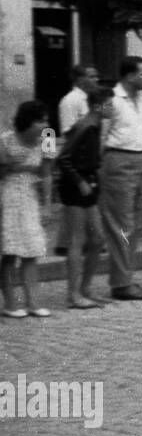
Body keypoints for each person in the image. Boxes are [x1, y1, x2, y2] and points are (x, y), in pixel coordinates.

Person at [100, 56, 142, 301]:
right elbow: (100, 136)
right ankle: (122, 283)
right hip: (119, 161)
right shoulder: (111, 100)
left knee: (139, 223)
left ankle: (126, 276)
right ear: (129, 76)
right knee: (122, 224)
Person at [57, 85, 111, 309]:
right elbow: (63, 158)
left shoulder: (96, 125)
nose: (112, 108)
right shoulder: (85, 126)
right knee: (77, 240)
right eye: (109, 104)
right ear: (98, 106)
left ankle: (85, 288)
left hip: (89, 182)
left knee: (98, 238)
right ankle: (73, 294)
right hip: (75, 185)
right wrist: (80, 182)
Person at [1, 101, 53, 318]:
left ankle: (33, 301)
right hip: (8, 196)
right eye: (41, 120)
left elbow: (47, 173)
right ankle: (11, 303)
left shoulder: (48, 138)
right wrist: (13, 168)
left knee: (31, 251)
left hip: (30, 198)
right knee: (10, 252)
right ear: (28, 122)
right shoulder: (6, 140)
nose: (46, 124)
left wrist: (47, 204)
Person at [55, 64, 100, 256]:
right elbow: (69, 132)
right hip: (76, 160)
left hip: (89, 159)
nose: (96, 80)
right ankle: (66, 244)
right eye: (91, 76)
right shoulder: (70, 101)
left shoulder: (90, 100)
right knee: (74, 208)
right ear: (79, 79)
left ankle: (71, 243)